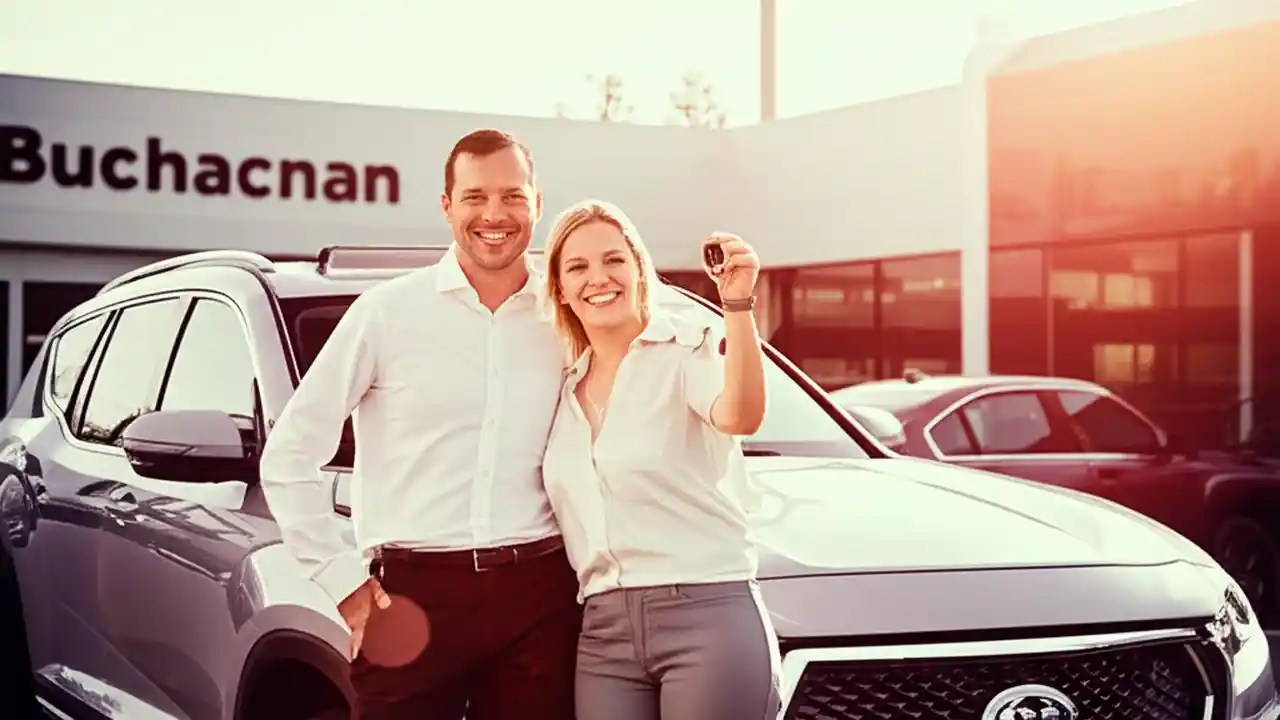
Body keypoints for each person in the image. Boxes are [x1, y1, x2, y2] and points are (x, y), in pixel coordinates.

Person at [258, 128, 581, 720]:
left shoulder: (565, 315)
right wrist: (345, 587)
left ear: (537, 202)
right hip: (410, 601)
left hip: (541, 599)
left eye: (513, 196)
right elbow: (289, 456)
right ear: (446, 206)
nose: (494, 215)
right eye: (475, 197)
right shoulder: (387, 313)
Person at [539, 199, 783, 720]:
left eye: (613, 260)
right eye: (577, 267)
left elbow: (742, 415)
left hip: (708, 616)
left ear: (638, 269)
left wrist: (737, 307)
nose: (598, 278)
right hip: (603, 630)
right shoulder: (562, 389)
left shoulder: (685, 350)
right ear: (559, 288)